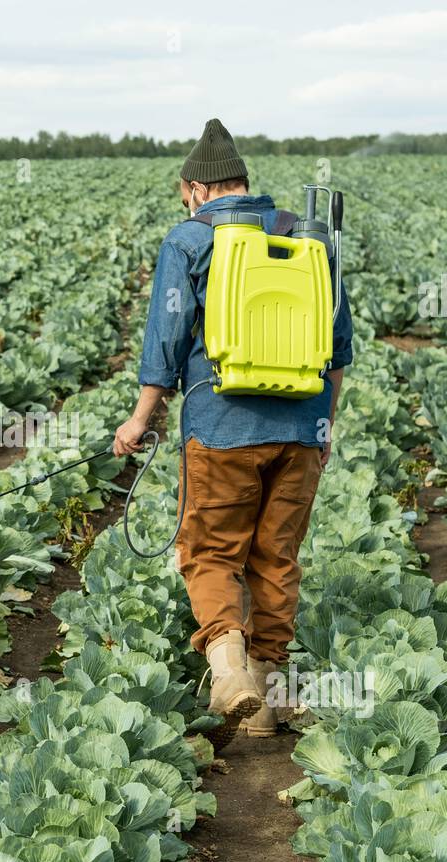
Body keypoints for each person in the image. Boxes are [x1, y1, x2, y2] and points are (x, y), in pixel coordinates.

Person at [113, 118, 353, 748]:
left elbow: (165, 341)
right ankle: (270, 699)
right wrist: (323, 426)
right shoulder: (308, 238)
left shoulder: (191, 240)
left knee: (212, 551)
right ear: (245, 183)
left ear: (194, 188)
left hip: (221, 429)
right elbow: (340, 348)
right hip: (302, 428)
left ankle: (228, 673)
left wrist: (141, 418)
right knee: (276, 557)